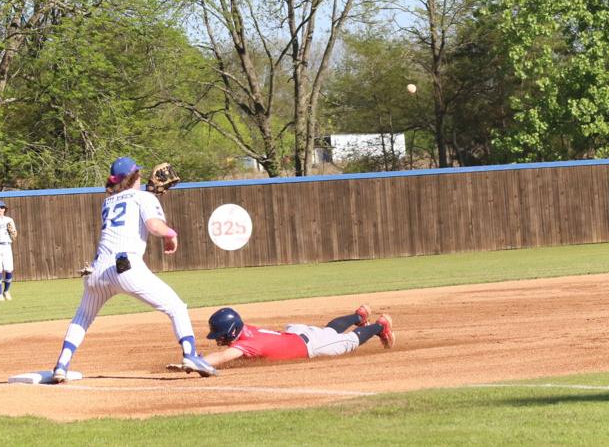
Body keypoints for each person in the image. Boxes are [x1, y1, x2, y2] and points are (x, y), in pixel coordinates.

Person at [51, 156, 216, 383]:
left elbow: (127, 201)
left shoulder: (108, 202)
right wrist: (171, 234)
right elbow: (154, 226)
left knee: (82, 318)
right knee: (176, 307)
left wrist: (149, 194)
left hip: (96, 271)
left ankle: (61, 365)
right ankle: (190, 355)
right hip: (126, 267)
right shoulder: (144, 197)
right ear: (135, 175)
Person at [187, 304, 394, 371]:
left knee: (349, 342)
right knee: (328, 331)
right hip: (297, 334)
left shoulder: (248, 344)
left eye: (221, 335)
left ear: (232, 331)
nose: (218, 339)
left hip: (313, 346)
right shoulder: (245, 330)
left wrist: (196, 362)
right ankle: (359, 316)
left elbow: (222, 357)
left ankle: (380, 326)